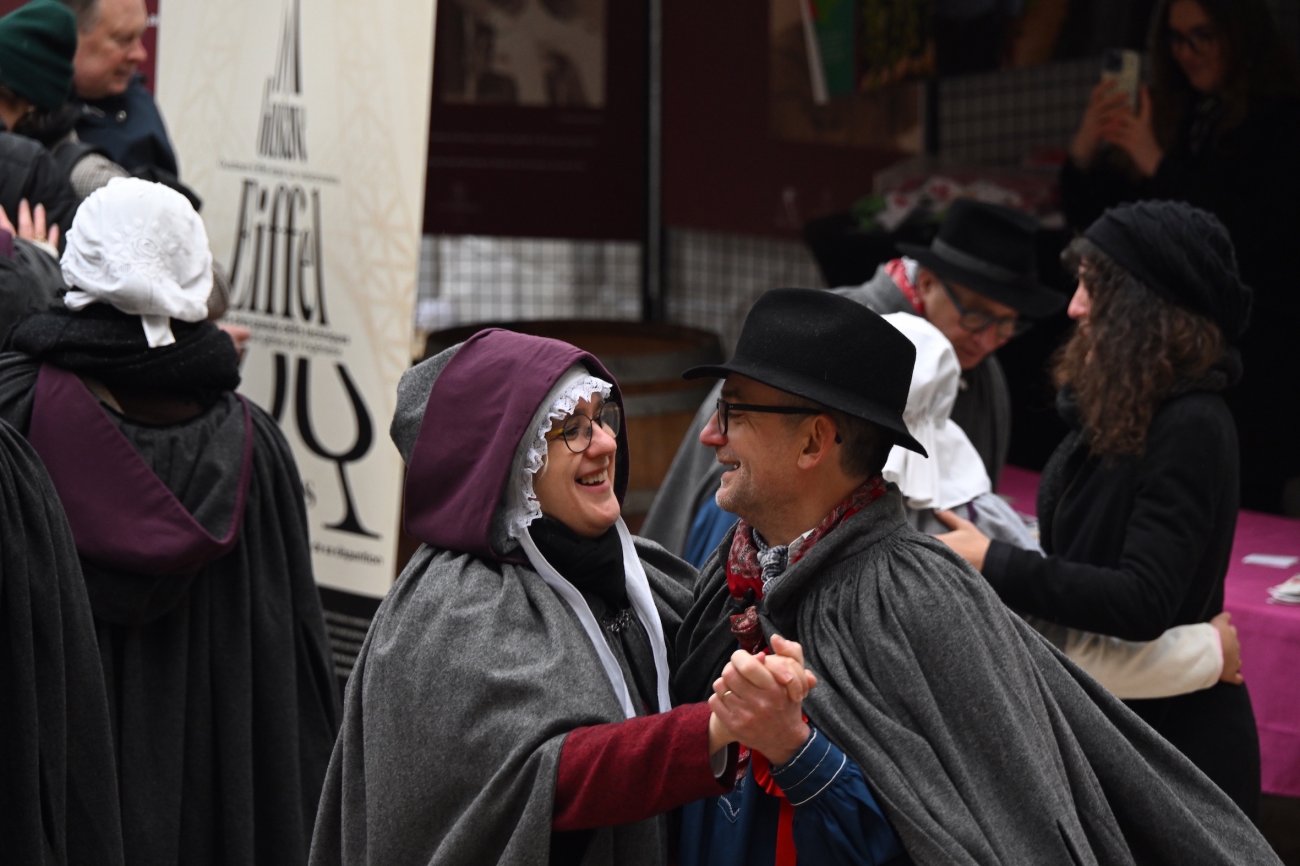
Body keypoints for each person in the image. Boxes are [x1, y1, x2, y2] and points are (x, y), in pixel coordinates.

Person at [672, 287, 1280, 864]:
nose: (709, 434)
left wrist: (797, 752)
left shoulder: (916, 599)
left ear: (814, 442)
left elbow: (973, 837)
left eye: (734, 411)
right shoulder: (734, 567)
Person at [310, 327, 814, 865]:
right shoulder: (454, 605)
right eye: (571, 430)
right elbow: (547, 778)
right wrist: (715, 729)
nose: (606, 443)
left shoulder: (636, 572)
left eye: (601, 419)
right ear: (506, 460)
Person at [0, 177, 339, 865]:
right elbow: (284, 676)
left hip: (51, 777)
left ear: (79, 262)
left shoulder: (15, 410)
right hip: (204, 801)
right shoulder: (256, 446)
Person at [937, 199, 1261, 818]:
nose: (1074, 307)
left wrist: (993, 560)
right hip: (1120, 725)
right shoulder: (1128, 410)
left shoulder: (1191, 422)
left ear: (1143, 307)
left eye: (1092, 287)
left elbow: (1140, 600)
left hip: (1174, 749)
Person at [640, 198, 1065, 562]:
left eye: (1006, 325)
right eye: (976, 316)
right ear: (928, 282)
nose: (988, 340)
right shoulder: (834, 332)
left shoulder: (984, 375)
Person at [883, 310, 1242, 699]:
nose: (1075, 308)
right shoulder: (936, 518)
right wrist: (1203, 654)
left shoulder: (894, 505)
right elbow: (1025, 653)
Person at [1059, 0, 1300, 514]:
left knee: (1243, 482)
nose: (1187, 53)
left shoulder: (1280, 122)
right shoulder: (1181, 111)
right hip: (1168, 345)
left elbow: (1243, 239)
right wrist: (1085, 150)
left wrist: (1155, 161)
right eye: (1176, 39)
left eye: (1202, 37)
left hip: (1256, 347)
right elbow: (1107, 228)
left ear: (1239, 35)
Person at [57, 0, 190, 199]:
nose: (140, 54)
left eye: (140, 36)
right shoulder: (25, 114)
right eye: (123, 40)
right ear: (66, 36)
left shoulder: (139, 103)